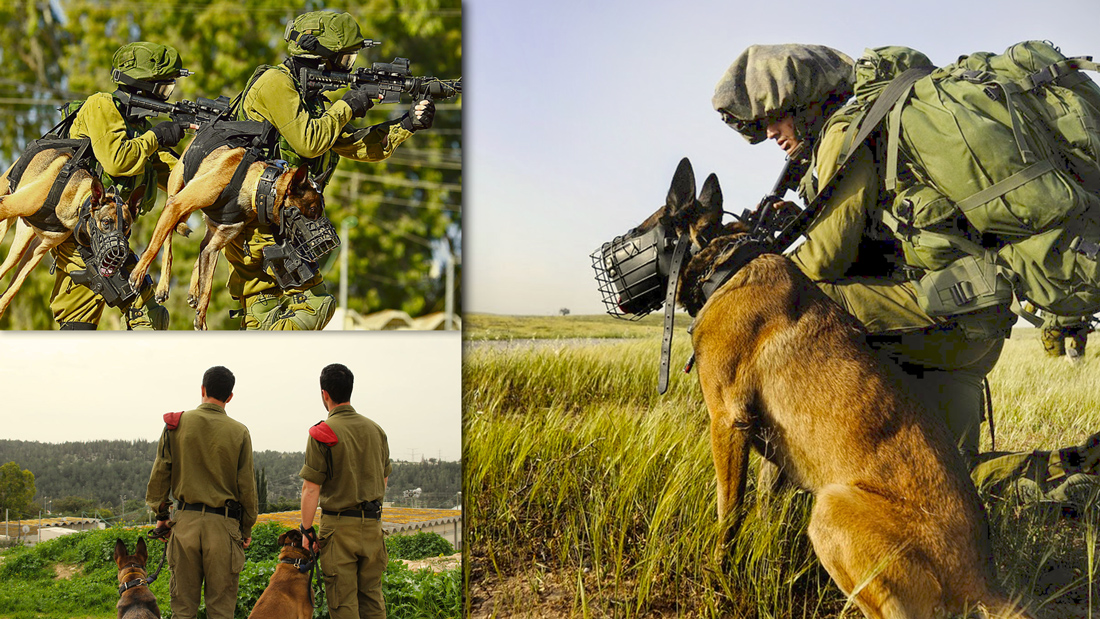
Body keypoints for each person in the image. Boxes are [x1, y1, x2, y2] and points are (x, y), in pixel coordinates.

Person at [712, 43, 1099, 508]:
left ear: (807, 102)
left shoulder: (844, 132)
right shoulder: (881, 123)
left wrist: (754, 272)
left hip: (947, 313)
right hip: (971, 321)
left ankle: (777, 504)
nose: (772, 132)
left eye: (776, 117)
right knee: (950, 480)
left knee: (791, 306)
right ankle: (1077, 469)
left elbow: (825, 261)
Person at [225, 10, 436, 330]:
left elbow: (351, 145)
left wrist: (406, 124)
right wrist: (350, 103)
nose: (350, 65)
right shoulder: (275, 83)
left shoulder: (310, 101)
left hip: (278, 226)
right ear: (322, 60)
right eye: (347, 58)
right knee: (307, 308)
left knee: (289, 312)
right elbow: (310, 141)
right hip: (253, 228)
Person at [53, 42, 182, 330]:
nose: (166, 96)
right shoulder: (102, 105)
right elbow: (117, 161)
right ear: (140, 85)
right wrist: (157, 137)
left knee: (78, 325)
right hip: (84, 232)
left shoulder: (137, 129)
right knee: (147, 315)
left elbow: (174, 174)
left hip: (109, 237)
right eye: (163, 89)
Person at [145, 366, 258, 619]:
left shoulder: (176, 424)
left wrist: (162, 515)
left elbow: (161, 472)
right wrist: (246, 528)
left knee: (183, 610)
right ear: (230, 397)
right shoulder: (240, 432)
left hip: (185, 525)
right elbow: (247, 487)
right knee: (221, 611)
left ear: (202, 389)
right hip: (225, 528)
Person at [299, 363, 391, 619]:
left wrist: (306, 531)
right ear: (351, 390)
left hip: (339, 530)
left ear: (324, 394)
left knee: (343, 604)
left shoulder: (322, 433)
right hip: (373, 528)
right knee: (373, 598)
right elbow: (383, 480)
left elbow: (310, 489)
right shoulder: (376, 431)